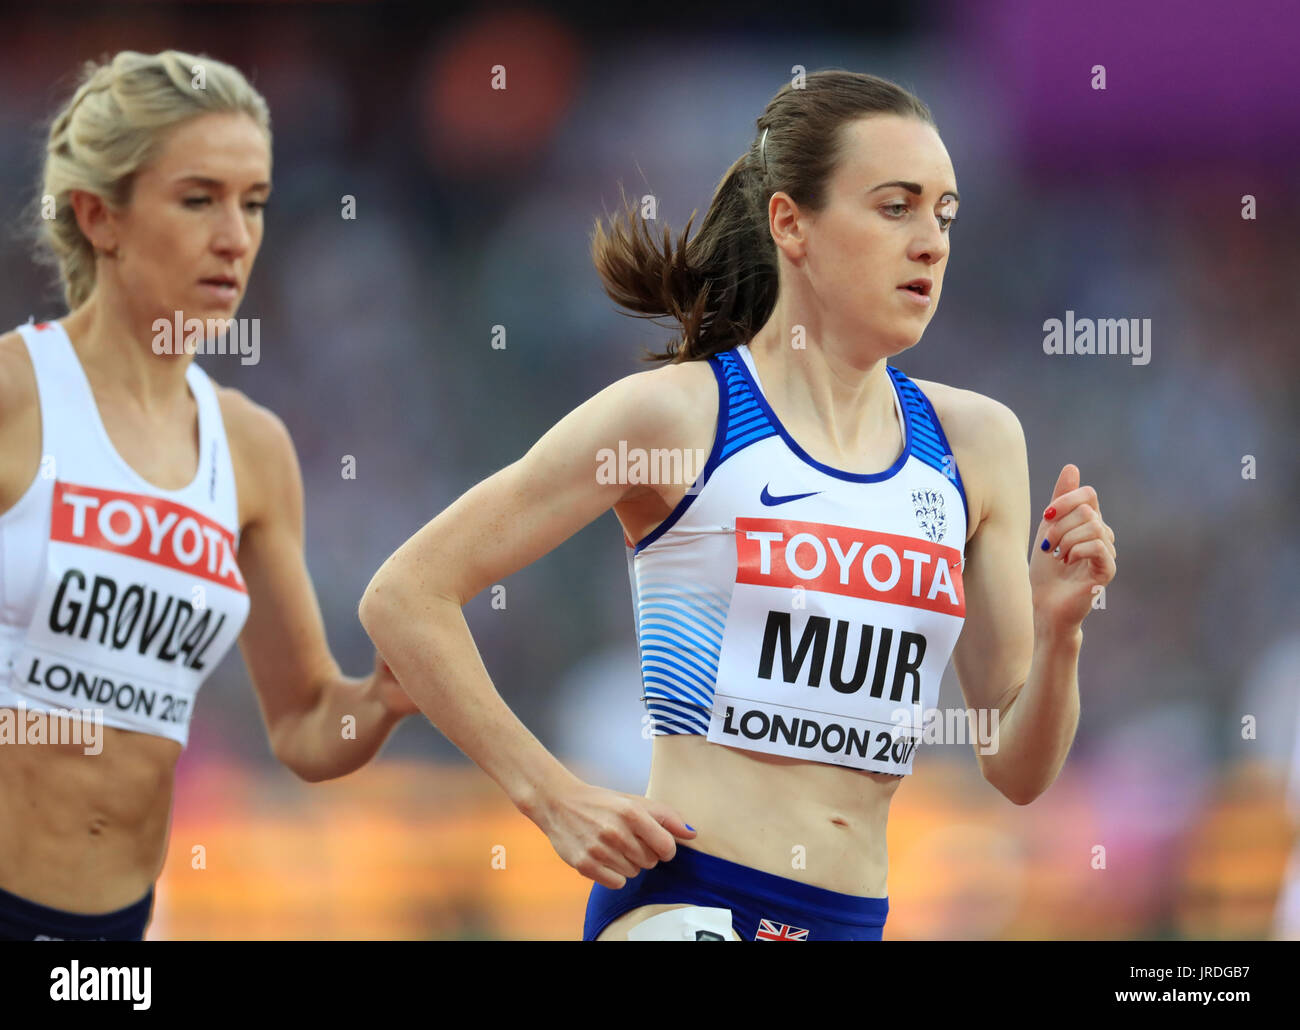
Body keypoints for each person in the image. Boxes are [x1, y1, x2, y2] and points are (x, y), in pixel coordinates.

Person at [359, 69, 1117, 941]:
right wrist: (552, 795)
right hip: (689, 904)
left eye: (945, 215)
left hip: (850, 919)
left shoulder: (978, 443)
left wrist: (1062, 632)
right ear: (791, 222)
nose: (932, 243)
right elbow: (406, 594)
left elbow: (1016, 768)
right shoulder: (682, 416)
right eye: (896, 206)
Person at [0, 49, 418, 942]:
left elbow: (306, 722)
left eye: (254, 202)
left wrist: (388, 694)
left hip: (122, 932)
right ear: (98, 216)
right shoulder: (14, 395)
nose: (235, 237)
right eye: (199, 199)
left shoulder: (253, 450)